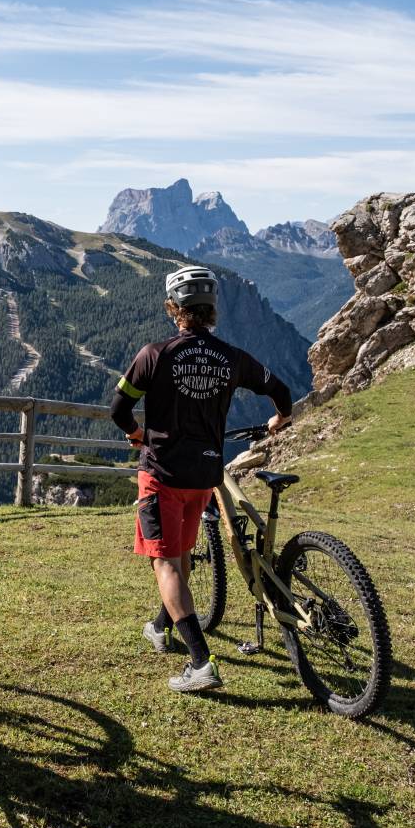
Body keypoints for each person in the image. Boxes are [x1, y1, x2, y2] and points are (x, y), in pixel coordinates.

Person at [110, 266, 293, 693]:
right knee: (181, 556)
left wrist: (137, 435)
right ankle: (161, 626)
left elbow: (119, 409)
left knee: (165, 563)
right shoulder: (233, 358)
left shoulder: (154, 354)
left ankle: (200, 663)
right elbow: (281, 392)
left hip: (162, 474)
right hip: (204, 476)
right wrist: (279, 419)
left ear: (173, 308)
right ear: (212, 310)